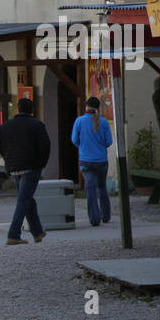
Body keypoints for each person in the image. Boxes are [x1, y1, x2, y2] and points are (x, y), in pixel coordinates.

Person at [0, 97, 52, 245]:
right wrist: (41, 164)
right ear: (32, 110)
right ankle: (13, 234)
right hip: (31, 167)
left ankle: (37, 232)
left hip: (13, 167)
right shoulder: (37, 125)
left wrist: (8, 158)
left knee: (26, 199)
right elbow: (45, 147)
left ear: (18, 109)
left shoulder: (6, 125)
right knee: (24, 200)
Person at [71, 96, 114, 227]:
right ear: (98, 108)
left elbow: (74, 140)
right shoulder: (104, 122)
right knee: (102, 187)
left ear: (86, 106)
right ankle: (106, 215)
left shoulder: (79, 121)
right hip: (101, 161)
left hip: (86, 161)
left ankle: (94, 219)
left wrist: (84, 146)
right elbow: (109, 142)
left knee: (90, 189)